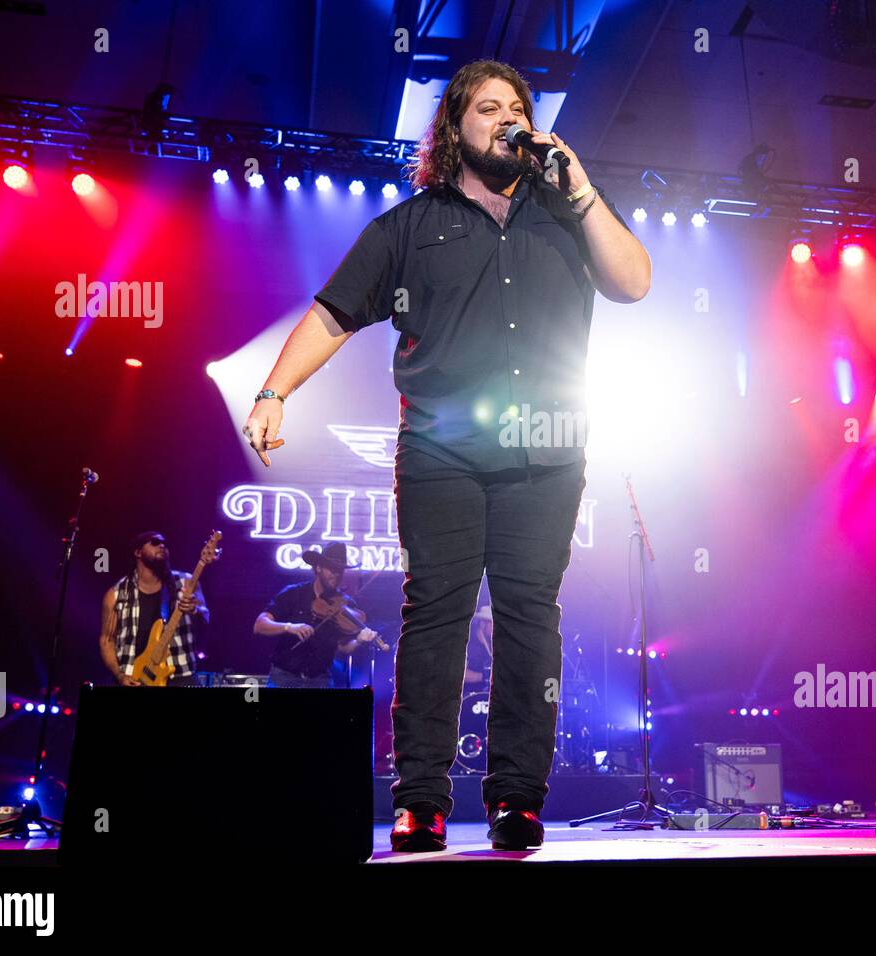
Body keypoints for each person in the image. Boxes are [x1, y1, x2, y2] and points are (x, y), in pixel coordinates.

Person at [241, 59, 650, 851]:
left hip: (547, 449)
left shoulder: (566, 212)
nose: (506, 118)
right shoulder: (409, 225)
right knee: (438, 614)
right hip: (441, 451)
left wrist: (584, 189)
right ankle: (421, 798)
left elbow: (634, 284)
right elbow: (331, 315)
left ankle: (516, 800)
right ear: (454, 128)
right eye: (488, 107)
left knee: (531, 616)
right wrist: (272, 392)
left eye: (517, 108)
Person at [254, 544, 380, 688]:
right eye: (332, 569)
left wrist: (358, 640)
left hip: (320, 679)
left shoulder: (345, 605)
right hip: (284, 677)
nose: (336, 574)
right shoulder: (294, 594)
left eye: (340, 570)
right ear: (318, 568)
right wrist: (289, 627)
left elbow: (342, 648)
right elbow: (260, 625)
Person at [100, 532, 208, 687]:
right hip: (135, 678)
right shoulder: (117, 594)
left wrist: (195, 609)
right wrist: (119, 675)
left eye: (164, 543)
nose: (162, 546)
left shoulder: (186, 583)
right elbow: (106, 640)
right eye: (155, 542)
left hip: (180, 675)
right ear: (138, 552)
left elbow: (206, 618)